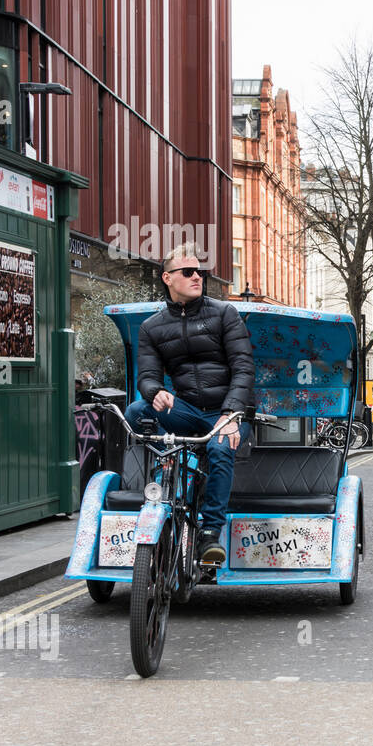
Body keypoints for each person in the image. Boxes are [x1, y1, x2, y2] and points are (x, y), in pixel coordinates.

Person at [124, 242, 255, 566]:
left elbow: (243, 367)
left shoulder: (225, 314)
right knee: (136, 410)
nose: (197, 276)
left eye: (200, 271)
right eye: (188, 271)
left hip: (226, 413)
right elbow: (149, 375)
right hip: (187, 412)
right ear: (168, 278)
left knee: (220, 447)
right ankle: (164, 481)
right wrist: (156, 392)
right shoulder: (152, 327)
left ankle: (210, 534)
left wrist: (231, 414)